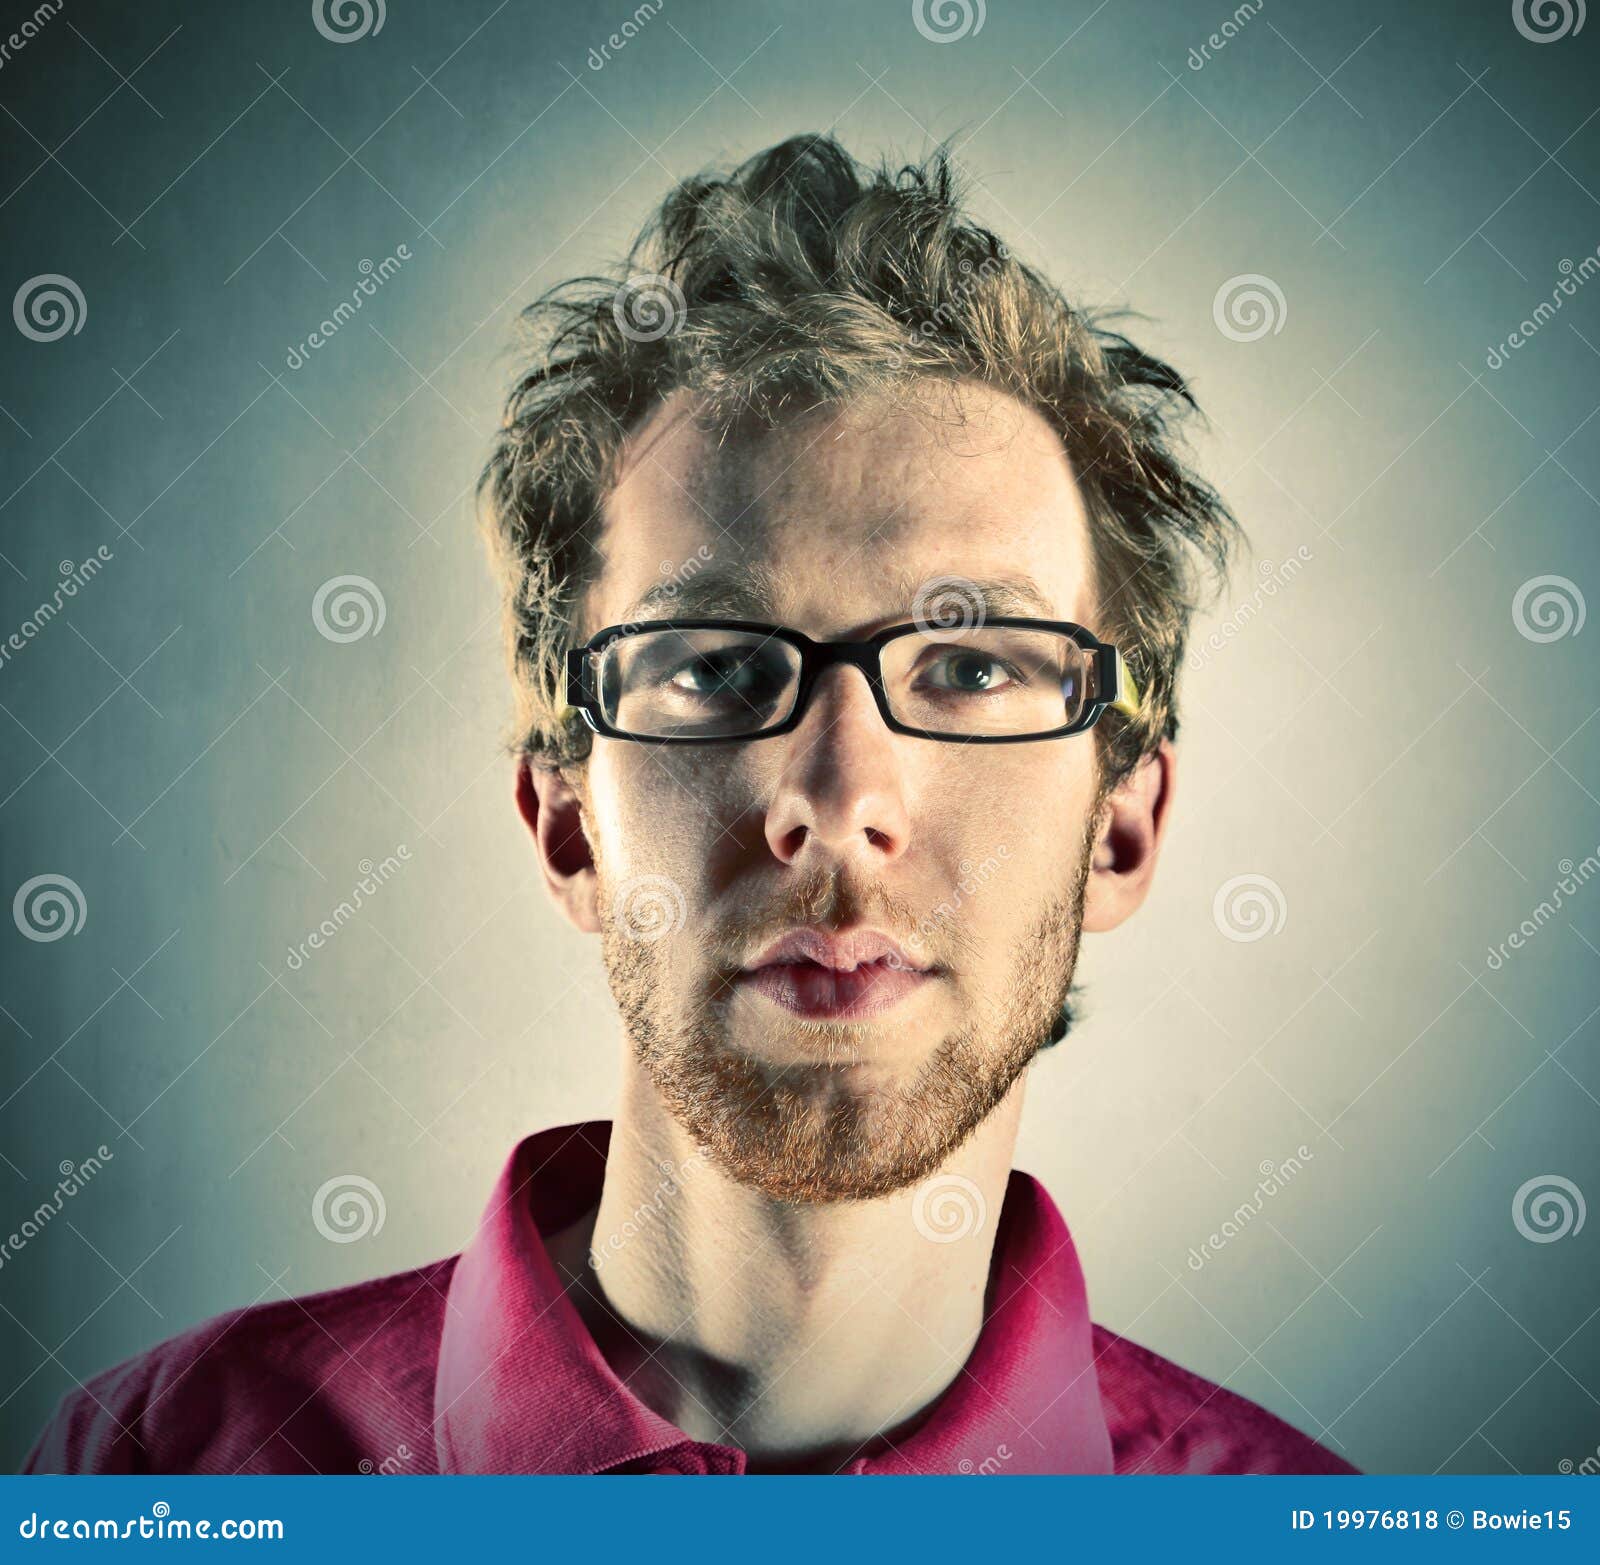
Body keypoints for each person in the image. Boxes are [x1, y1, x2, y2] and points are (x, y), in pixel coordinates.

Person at [26, 134, 1356, 1476]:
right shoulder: (165, 1464)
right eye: (715, 666)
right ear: (566, 820)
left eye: (970, 668)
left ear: (1121, 827)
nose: (837, 804)